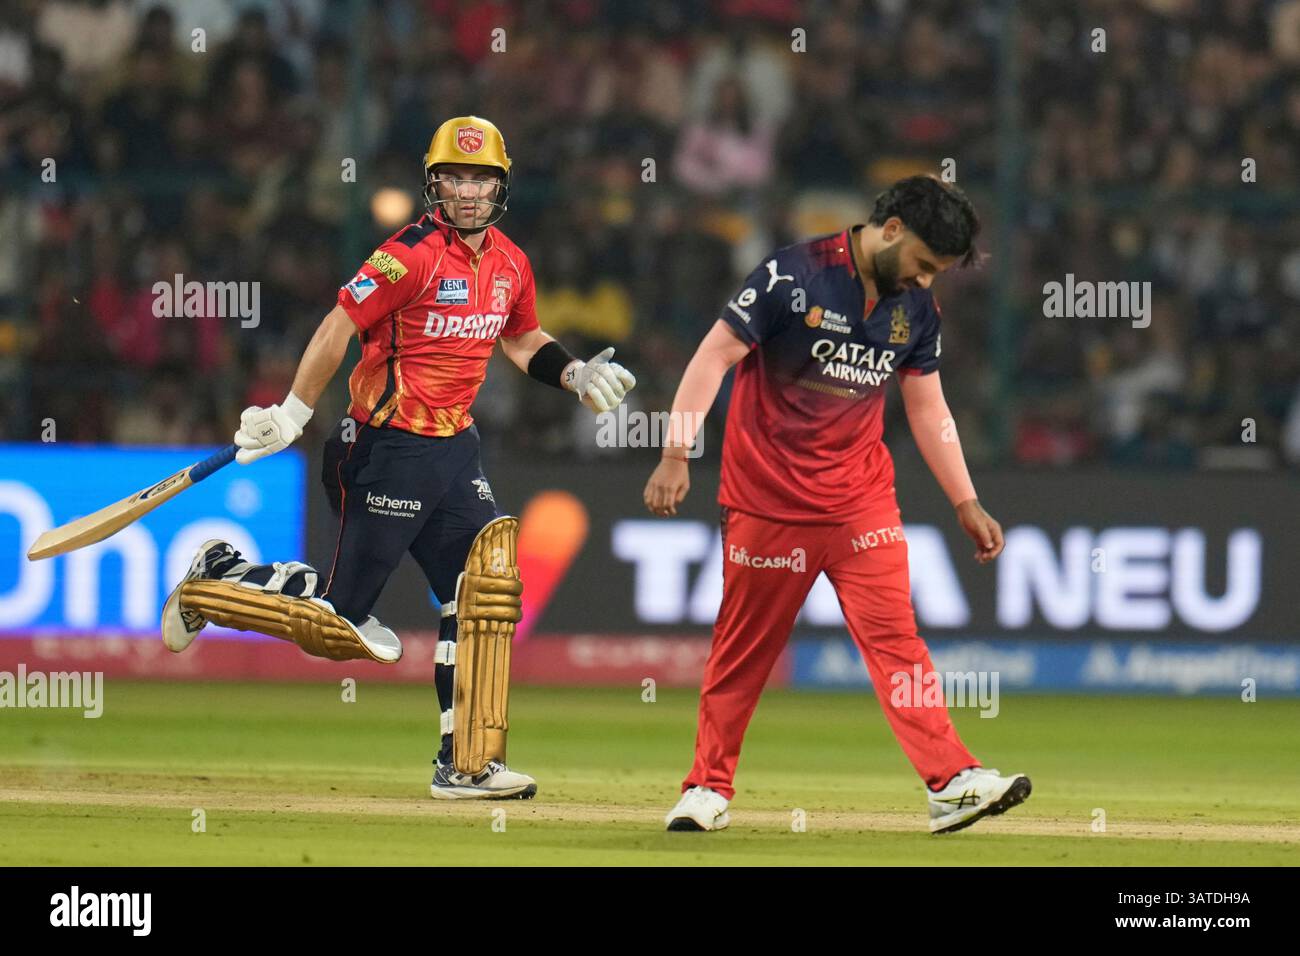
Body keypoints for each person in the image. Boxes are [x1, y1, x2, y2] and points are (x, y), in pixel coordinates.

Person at [160, 116, 636, 801]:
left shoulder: (510, 262)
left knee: (483, 596)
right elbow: (337, 328)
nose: (468, 192)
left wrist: (575, 375)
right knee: (337, 623)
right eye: (456, 177)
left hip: (452, 451)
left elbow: (523, 336)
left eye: (482, 179)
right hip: (381, 450)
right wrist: (293, 411)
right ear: (434, 181)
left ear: (501, 185)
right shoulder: (406, 255)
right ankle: (217, 578)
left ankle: (467, 764)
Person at [643, 175, 1029, 833]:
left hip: (860, 504)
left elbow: (928, 406)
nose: (927, 283)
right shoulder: (790, 278)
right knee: (743, 654)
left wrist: (966, 500)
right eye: (925, 266)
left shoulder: (916, 311)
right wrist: (677, 453)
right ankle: (706, 788)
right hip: (768, 503)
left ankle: (951, 781)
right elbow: (714, 356)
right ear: (893, 230)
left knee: (897, 642)